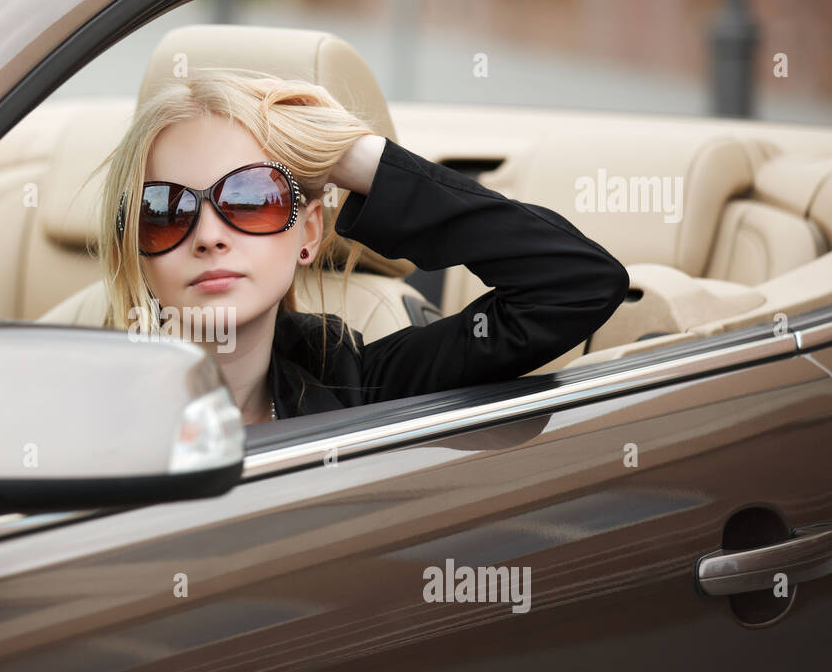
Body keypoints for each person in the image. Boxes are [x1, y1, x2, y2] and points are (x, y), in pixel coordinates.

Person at [92, 68, 630, 426]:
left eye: (252, 197)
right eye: (165, 212)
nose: (209, 236)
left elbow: (577, 284)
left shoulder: (358, 389)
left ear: (306, 235)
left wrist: (355, 158)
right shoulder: (86, 404)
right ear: (136, 250)